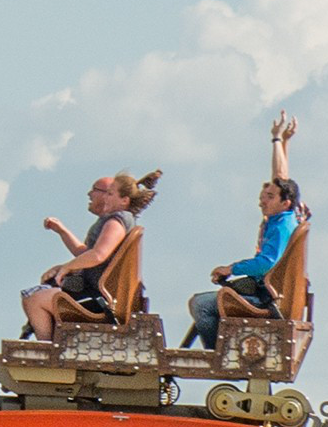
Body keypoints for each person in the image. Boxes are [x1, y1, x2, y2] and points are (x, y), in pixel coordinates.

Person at [184, 113, 302, 349]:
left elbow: (266, 263)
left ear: (285, 202)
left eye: (269, 197)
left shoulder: (282, 226)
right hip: (266, 291)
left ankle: (217, 355)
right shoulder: (286, 216)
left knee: (201, 305)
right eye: (261, 197)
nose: (262, 202)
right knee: (207, 301)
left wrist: (231, 268)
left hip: (266, 297)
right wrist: (281, 142)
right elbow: (280, 180)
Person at [20, 169, 161, 341]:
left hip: (101, 300)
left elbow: (98, 255)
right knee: (40, 291)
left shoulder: (117, 220)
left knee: (34, 299)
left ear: (124, 200)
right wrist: (62, 234)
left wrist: (66, 267)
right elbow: (86, 254)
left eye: (110, 194)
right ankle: (49, 346)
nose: (105, 198)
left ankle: (47, 350)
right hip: (94, 292)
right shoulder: (116, 219)